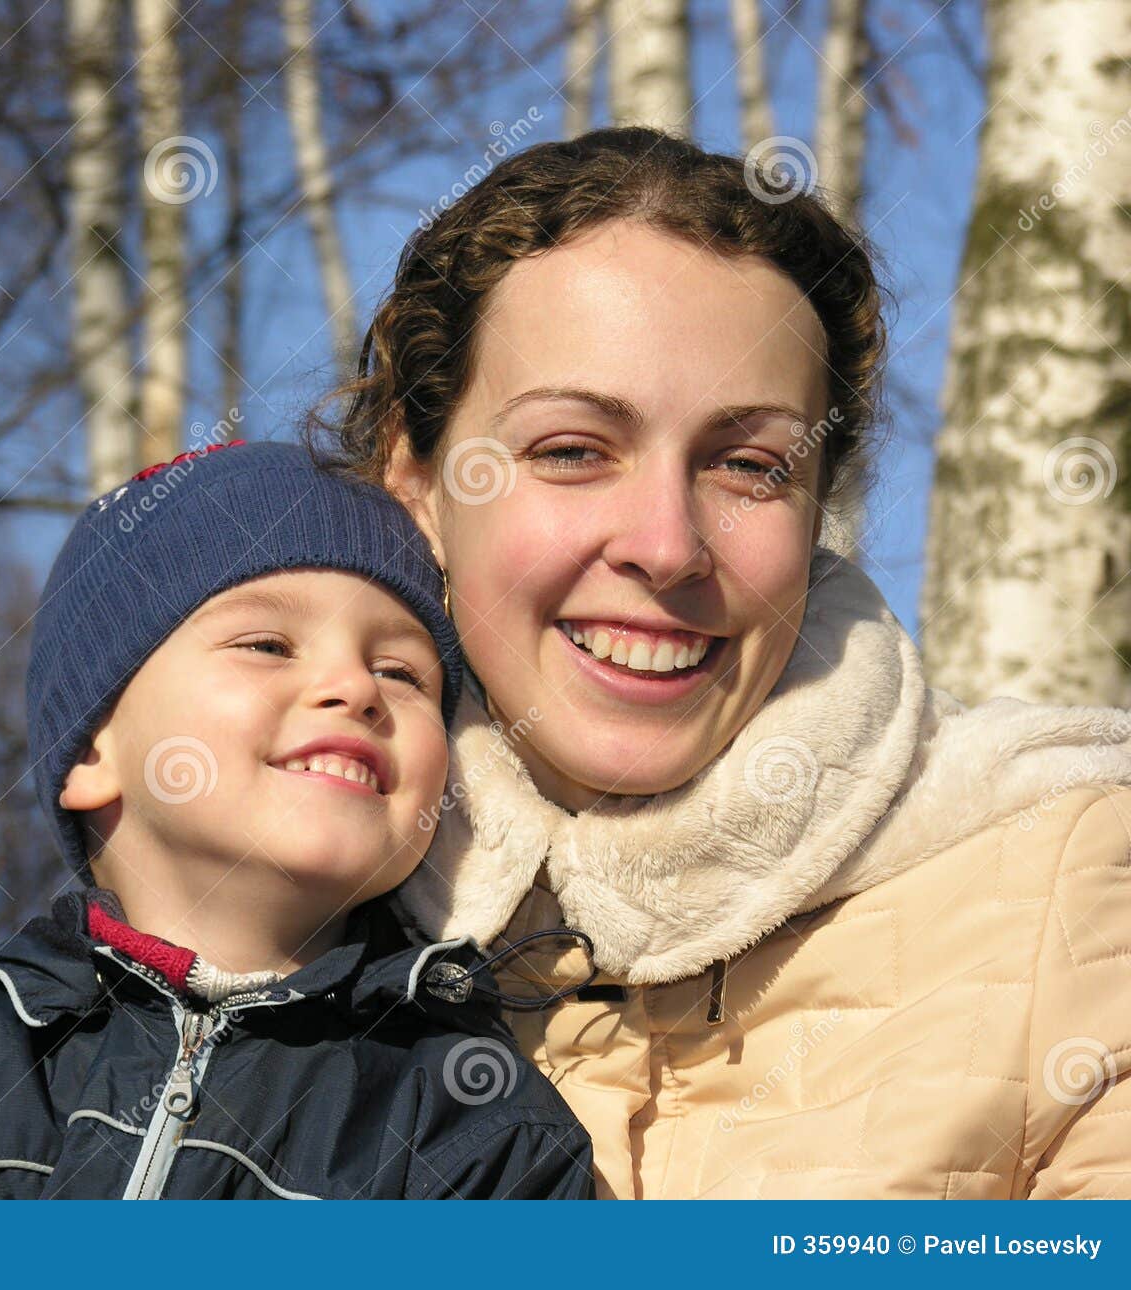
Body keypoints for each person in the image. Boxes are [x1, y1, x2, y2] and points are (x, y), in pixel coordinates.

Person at [321, 127, 1131, 1198]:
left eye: (748, 465)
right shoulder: (278, 906)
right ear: (416, 485)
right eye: (570, 451)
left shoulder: (1067, 885)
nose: (664, 543)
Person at [0, 440, 595, 1200]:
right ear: (93, 751)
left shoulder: (473, 1123)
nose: (356, 688)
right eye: (267, 645)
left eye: (404, 674)